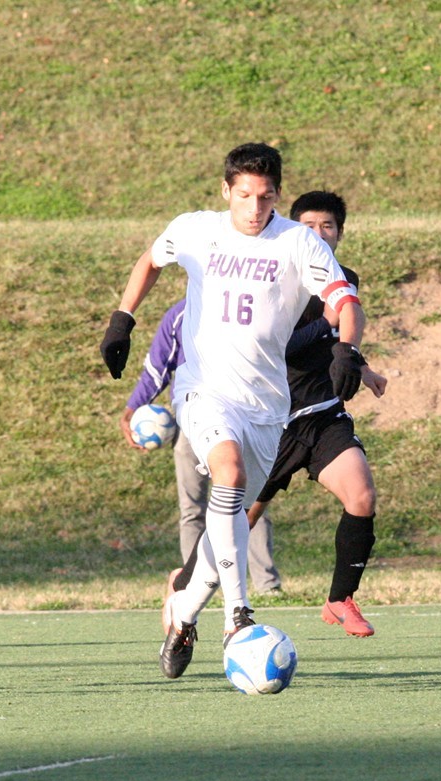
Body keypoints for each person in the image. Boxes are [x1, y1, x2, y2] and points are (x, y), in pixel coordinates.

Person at [99, 142, 364, 679]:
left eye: (265, 197)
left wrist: (348, 349)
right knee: (229, 473)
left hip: (267, 407)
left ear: (278, 195)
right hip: (203, 390)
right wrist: (122, 319)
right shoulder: (196, 229)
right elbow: (150, 260)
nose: (254, 208)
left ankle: (184, 612)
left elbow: (345, 301)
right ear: (226, 190)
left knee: (230, 523)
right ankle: (237, 617)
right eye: (244, 195)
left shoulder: (298, 242)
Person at [171, 190, 386, 637]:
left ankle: (340, 598)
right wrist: (325, 323)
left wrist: (358, 364)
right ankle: (182, 587)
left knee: (362, 495)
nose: (318, 234)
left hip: (322, 415)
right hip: (271, 421)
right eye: (309, 226)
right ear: (291, 229)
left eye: (328, 226)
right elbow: (274, 346)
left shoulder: (343, 279)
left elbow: (340, 338)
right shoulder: (272, 273)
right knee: (238, 520)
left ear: (340, 234)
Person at [120, 297, 282, 593]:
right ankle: (192, 585)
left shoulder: (246, 307)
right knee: (193, 508)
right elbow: (158, 366)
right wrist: (134, 406)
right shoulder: (181, 313)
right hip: (193, 422)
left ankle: (267, 584)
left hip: (240, 418)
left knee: (248, 502)